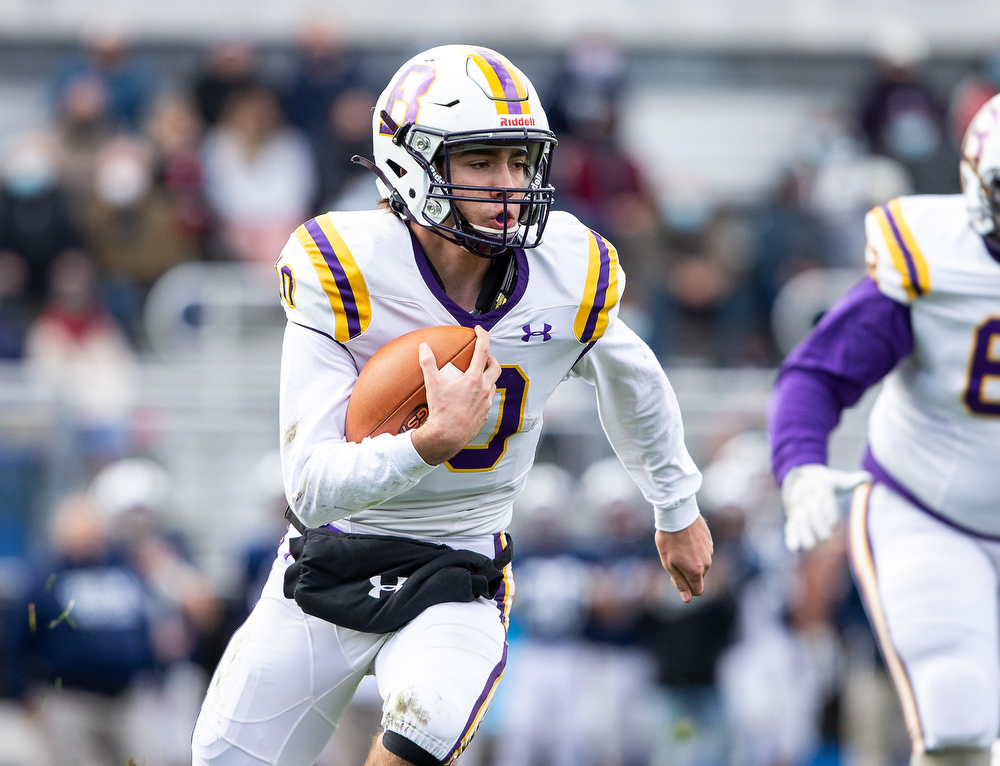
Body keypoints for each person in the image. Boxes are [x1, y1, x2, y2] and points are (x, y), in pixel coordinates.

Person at [192, 45, 712, 766]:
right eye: (481, 162)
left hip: (458, 575)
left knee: (422, 731)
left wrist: (676, 505)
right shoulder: (345, 269)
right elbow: (309, 488)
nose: (509, 185)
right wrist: (425, 444)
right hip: (325, 566)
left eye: (520, 163)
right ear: (409, 164)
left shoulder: (567, 272)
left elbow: (632, 374)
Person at [769, 92, 1000, 766]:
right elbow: (817, 375)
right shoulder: (937, 260)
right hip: (932, 509)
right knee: (957, 722)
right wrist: (801, 463)